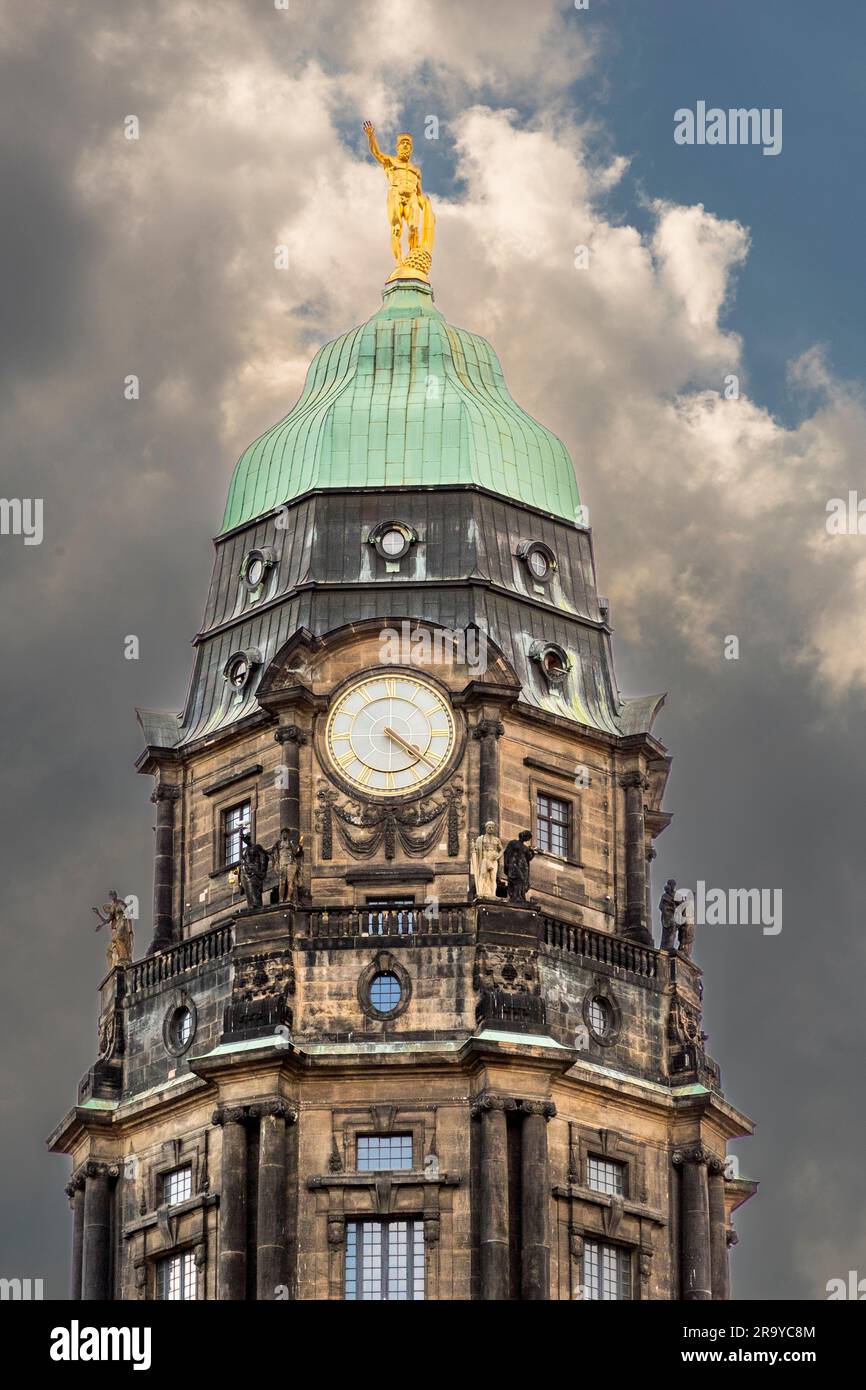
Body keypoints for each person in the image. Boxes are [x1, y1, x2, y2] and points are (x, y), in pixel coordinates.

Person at [471, 821, 503, 899]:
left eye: (492, 827)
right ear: (486, 828)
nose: (491, 829)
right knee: (483, 875)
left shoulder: (496, 839)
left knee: (493, 877)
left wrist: (498, 856)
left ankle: (493, 894)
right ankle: (480, 892)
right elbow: (478, 850)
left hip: (493, 860)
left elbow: (502, 849)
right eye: (489, 827)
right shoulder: (481, 839)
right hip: (485, 859)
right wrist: (474, 849)